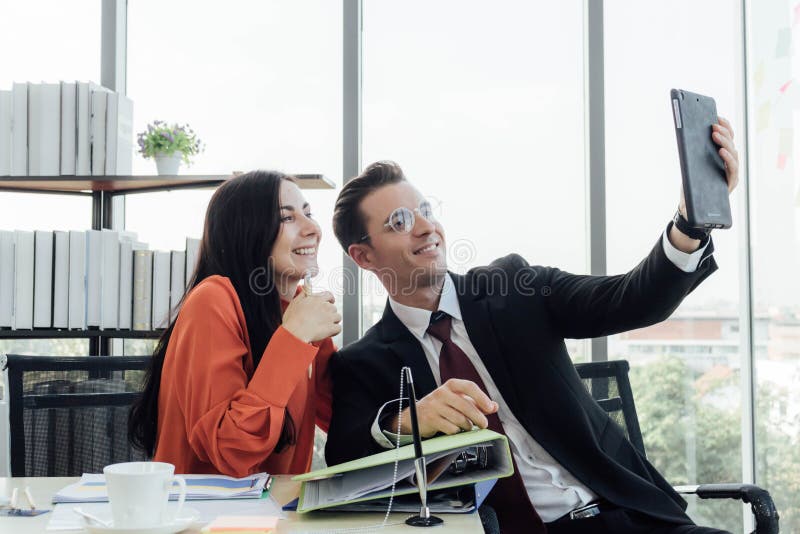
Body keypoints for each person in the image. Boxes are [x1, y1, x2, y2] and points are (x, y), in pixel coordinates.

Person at [325, 118, 739, 533]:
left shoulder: (514, 287)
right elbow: (343, 456)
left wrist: (689, 223)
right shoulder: (362, 362)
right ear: (363, 256)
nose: (426, 227)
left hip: (624, 518)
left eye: (426, 211)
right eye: (399, 221)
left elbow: (630, 299)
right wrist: (406, 421)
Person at [128, 170, 341, 477]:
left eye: (308, 213)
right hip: (207, 513)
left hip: (280, 512)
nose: (313, 229)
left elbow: (344, 418)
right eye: (287, 218)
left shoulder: (299, 308)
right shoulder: (212, 301)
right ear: (247, 231)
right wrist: (293, 339)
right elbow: (229, 450)